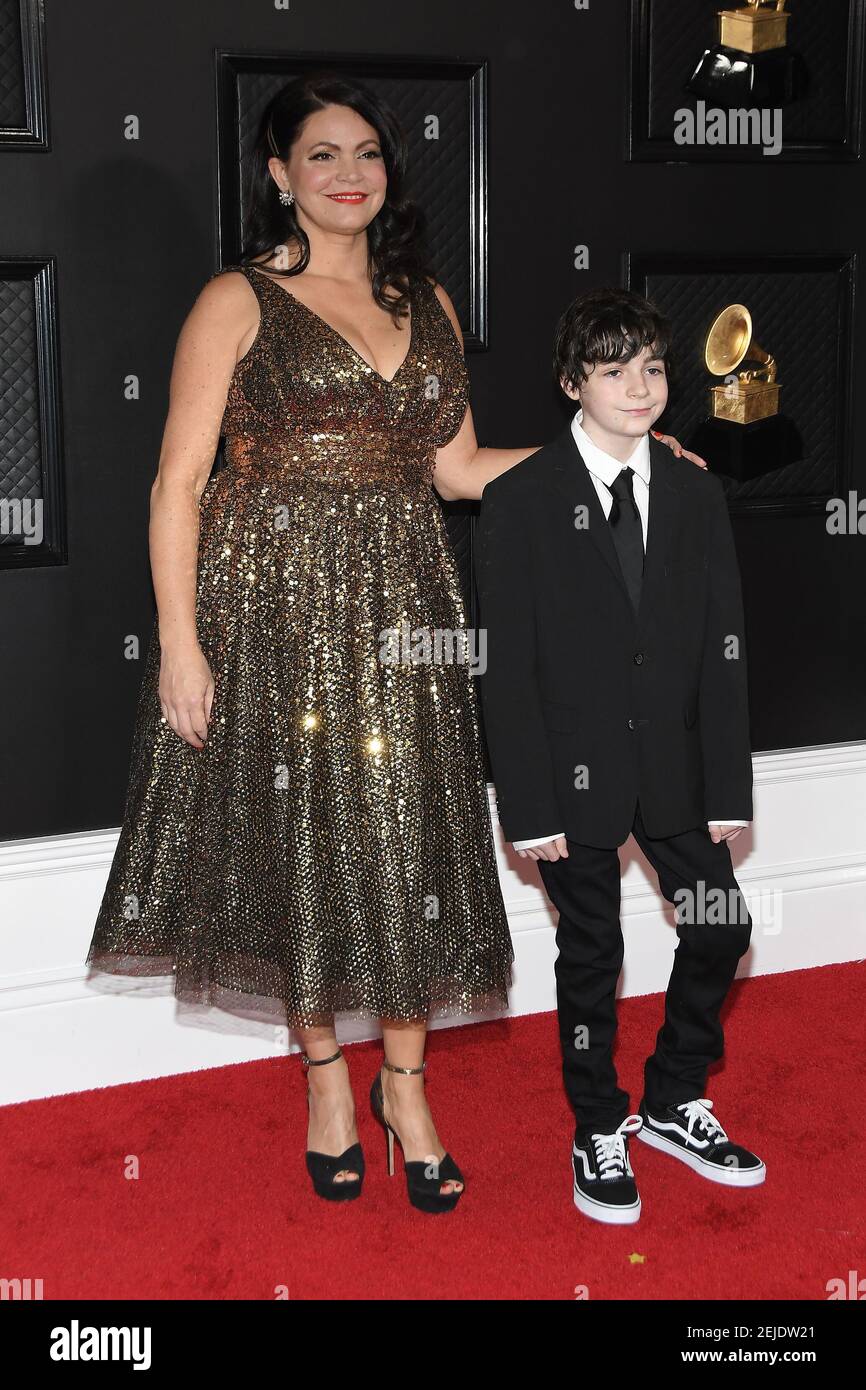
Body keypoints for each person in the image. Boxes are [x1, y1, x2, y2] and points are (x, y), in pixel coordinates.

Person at [85, 73, 700, 1216]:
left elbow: (457, 470)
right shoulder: (234, 300)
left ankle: (404, 1089)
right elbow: (176, 482)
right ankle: (328, 1080)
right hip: (267, 606)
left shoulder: (426, 299)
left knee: (409, 836)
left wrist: (626, 452)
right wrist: (180, 644)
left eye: (364, 151)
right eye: (319, 155)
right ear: (278, 174)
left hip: (405, 603)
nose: (347, 173)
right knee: (303, 839)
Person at [474, 287, 765, 1225]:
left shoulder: (695, 489)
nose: (639, 388)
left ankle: (675, 1098)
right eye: (613, 370)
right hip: (571, 777)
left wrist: (727, 783)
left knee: (720, 928)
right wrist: (528, 807)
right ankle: (597, 1122)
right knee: (590, 954)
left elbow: (725, 646)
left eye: (651, 367)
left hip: (679, 774)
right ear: (572, 383)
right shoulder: (520, 501)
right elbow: (506, 668)